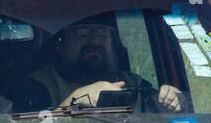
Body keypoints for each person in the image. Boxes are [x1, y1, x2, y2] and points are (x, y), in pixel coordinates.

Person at [12, 20, 185, 113]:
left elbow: (165, 122)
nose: (94, 40)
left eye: (102, 33)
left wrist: (175, 101)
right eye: (82, 33)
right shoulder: (40, 86)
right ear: (60, 45)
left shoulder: (135, 83)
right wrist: (76, 101)